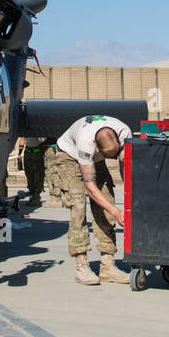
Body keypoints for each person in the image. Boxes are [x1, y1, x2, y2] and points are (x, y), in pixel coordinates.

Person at [54, 115, 132, 285]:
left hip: (97, 159)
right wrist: (117, 212)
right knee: (78, 206)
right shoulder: (85, 142)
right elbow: (90, 187)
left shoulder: (125, 131)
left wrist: (130, 200)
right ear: (97, 147)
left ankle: (108, 266)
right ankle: (82, 266)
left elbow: (124, 165)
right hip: (69, 156)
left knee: (107, 201)